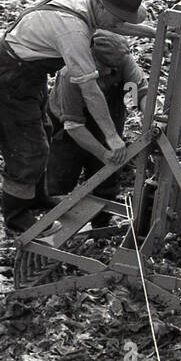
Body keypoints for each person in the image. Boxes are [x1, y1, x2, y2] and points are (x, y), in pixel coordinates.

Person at [0, 0, 154, 236]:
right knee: (29, 152)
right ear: (103, 7)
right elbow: (88, 96)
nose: (119, 25)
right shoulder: (74, 36)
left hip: (29, 72)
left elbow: (116, 30)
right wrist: (111, 140)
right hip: (9, 77)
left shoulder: (91, 2)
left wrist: (156, 33)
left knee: (43, 136)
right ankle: (17, 219)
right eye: (117, 19)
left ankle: (38, 199)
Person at [46, 31, 147, 228]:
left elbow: (138, 91)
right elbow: (74, 126)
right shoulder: (71, 74)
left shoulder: (122, 61)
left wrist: (149, 115)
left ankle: (99, 229)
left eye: (113, 68)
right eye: (104, 68)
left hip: (109, 125)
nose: (109, 72)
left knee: (106, 184)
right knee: (59, 184)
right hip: (68, 132)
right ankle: (54, 232)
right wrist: (102, 153)